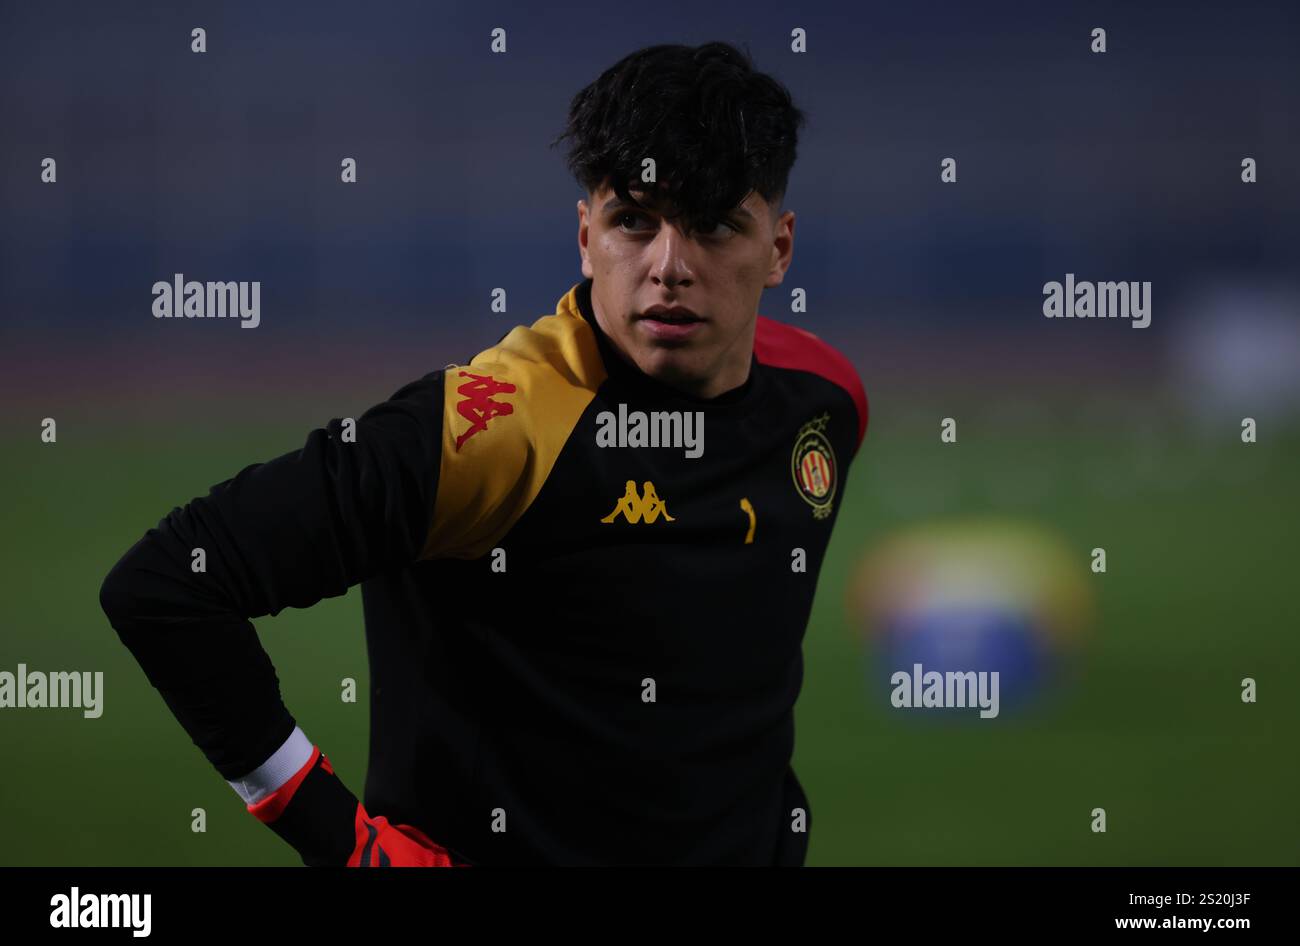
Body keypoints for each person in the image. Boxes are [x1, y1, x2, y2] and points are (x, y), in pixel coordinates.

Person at [98, 40, 867, 866]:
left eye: (714, 224)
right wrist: (343, 840)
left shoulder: (823, 399)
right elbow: (167, 583)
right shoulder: (493, 429)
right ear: (585, 236)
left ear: (779, 248)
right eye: (634, 221)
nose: (668, 266)